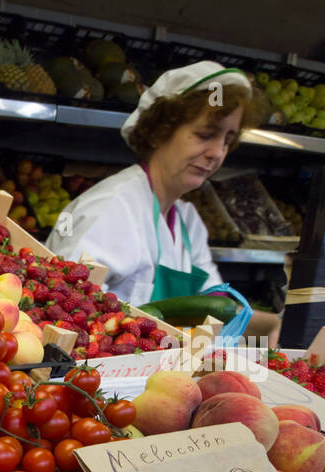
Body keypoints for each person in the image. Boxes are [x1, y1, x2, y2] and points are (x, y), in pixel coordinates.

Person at [48, 61, 280, 340]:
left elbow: (216, 301)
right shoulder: (112, 209)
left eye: (228, 140)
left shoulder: (187, 221)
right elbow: (61, 308)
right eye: (205, 134)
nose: (217, 153)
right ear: (161, 130)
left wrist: (274, 325)